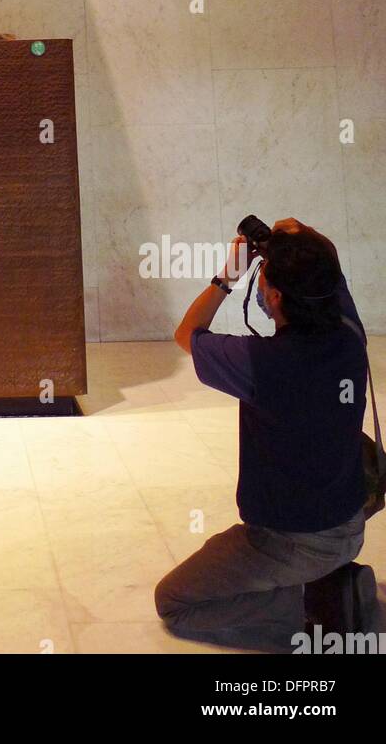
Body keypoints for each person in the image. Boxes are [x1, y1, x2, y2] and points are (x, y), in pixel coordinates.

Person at [154, 217, 379, 652]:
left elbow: (187, 334)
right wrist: (301, 236)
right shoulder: (349, 333)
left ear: (274, 296)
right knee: (221, 554)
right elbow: (326, 263)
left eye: (264, 280)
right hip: (348, 518)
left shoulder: (260, 362)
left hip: (296, 540)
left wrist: (227, 278)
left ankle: (319, 601)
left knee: (174, 601)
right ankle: (327, 578)